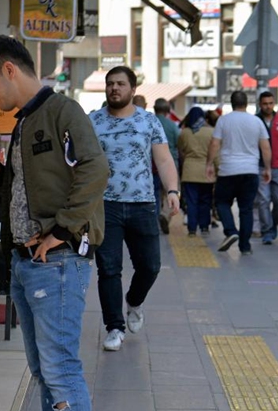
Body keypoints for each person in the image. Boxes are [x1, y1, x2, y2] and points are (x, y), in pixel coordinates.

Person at [0, 35, 109, 411]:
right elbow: (28, 190)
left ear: (9, 70)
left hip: (57, 263)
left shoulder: (63, 110)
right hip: (29, 263)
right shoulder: (26, 119)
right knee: (44, 371)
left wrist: (62, 231)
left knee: (60, 371)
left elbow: (96, 169)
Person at [89, 66, 180, 352]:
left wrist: (173, 191)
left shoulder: (149, 121)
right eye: (110, 84)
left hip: (142, 204)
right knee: (109, 269)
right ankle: (114, 327)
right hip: (105, 206)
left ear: (132, 89)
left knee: (150, 265)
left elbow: (164, 161)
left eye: (120, 84)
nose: (114, 88)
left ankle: (135, 301)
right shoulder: (92, 121)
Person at [205, 90, 271, 255]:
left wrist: (209, 164)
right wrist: (268, 168)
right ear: (246, 103)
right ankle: (245, 246)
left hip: (228, 170)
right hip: (250, 171)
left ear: (232, 103)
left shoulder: (223, 120)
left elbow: (214, 144)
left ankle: (231, 231)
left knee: (221, 202)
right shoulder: (256, 121)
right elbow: (265, 147)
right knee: (246, 209)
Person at [255, 91, 278, 245]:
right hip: (260, 167)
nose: (268, 106)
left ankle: (274, 224)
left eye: (270, 103)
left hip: (277, 167)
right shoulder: (255, 120)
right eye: (265, 103)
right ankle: (267, 230)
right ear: (260, 104)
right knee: (263, 200)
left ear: (274, 103)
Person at [178, 107, 215, 236]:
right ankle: (204, 227)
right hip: (207, 171)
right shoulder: (211, 132)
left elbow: (181, 151)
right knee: (205, 200)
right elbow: (215, 153)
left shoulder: (185, 132)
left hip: (189, 171)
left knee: (191, 201)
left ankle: (192, 229)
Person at [153, 98, 180, 234]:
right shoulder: (171, 125)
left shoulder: (150, 122)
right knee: (171, 192)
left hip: (151, 164)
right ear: (168, 110)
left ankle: (154, 219)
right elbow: (179, 142)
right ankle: (164, 214)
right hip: (170, 163)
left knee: (155, 194)